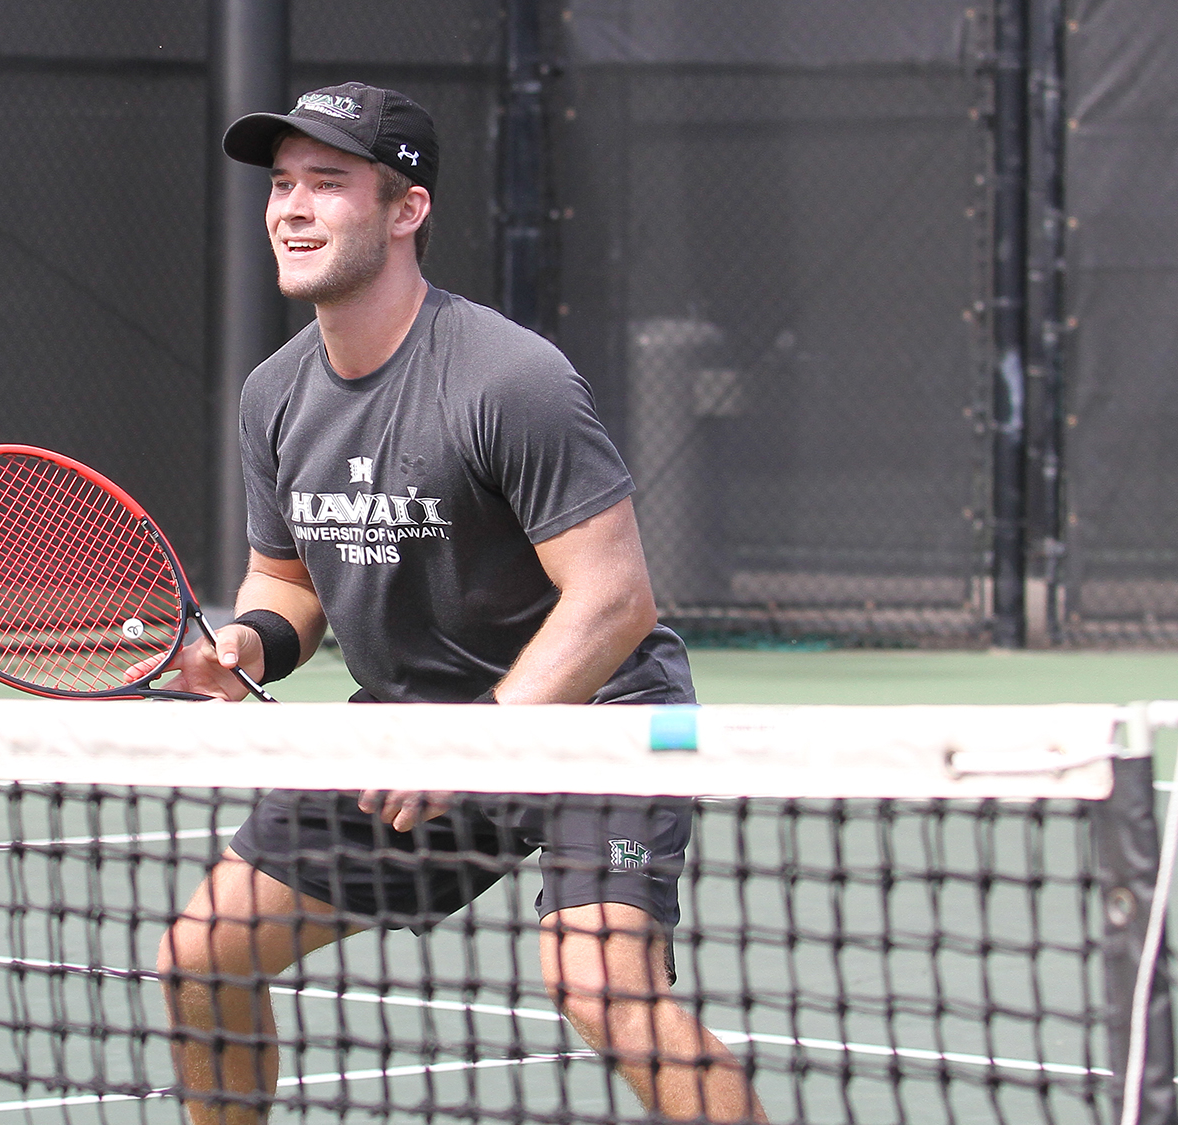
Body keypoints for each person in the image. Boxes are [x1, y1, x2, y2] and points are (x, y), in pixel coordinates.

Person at [152, 83, 766, 1124]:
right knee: (203, 958)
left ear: (407, 209)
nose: (291, 207)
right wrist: (247, 642)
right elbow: (287, 581)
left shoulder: (507, 378)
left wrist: (475, 743)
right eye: (282, 184)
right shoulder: (274, 396)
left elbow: (613, 599)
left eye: (327, 183)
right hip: (415, 732)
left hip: (596, 720)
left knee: (602, 987)